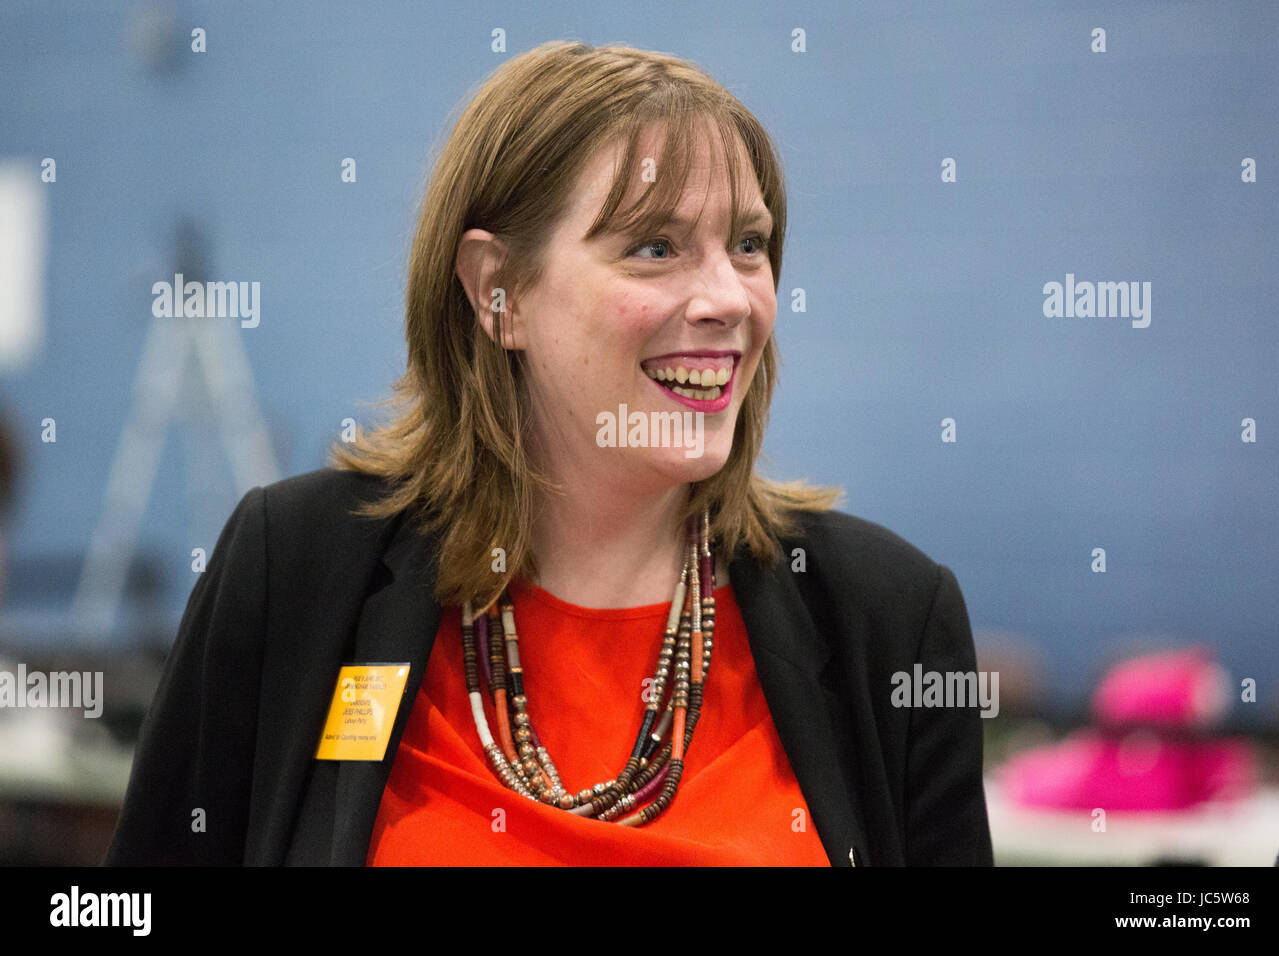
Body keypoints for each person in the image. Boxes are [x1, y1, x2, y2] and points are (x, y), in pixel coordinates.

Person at [105, 40, 993, 866]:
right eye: (656, 247)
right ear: (500, 294)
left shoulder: (888, 617)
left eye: (750, 246)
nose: (729, 298)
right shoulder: (296, 568)